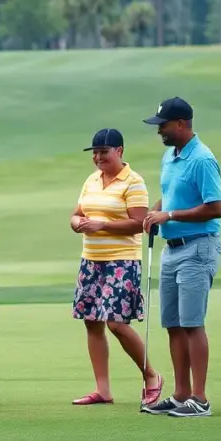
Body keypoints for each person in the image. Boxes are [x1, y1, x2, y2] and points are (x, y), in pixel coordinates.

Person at [141, 97, 221, 418]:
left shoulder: (202, 159)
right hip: (172, 248)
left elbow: (216, 207)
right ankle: (180, 394)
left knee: (192, 323)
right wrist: (157, 210)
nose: (158, 130)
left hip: (198, 247)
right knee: (173, 324)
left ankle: (200, 399)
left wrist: (170, 214)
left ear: (181, 124)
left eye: (162, 125)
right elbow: (170, 193)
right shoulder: (170, 156)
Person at [69, 128, 164, 406]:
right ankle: (103, 390)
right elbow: (77, 214)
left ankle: (151, 376)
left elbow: (140, 222)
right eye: (95, 152)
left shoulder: (133, 182)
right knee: (92, 321)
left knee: (116, 323)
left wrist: (103, 225)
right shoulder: (92, 180)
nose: (98, 157)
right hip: (91, 259)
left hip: (122, 260)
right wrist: (77, 223)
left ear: (119, 151)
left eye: (104, 152)